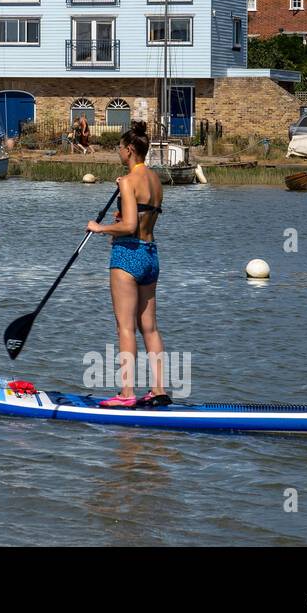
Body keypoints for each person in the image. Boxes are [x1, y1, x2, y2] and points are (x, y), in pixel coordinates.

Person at [86, 120, 170, 409]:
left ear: (130, 150)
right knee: (150, 327)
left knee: (125, 328)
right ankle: (158, 389)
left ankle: (126, 394)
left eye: (120, 148)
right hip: (151, 255)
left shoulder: (128, 181)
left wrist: (101, 228)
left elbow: (129, 225)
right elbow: (142, 219)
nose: (118, 153)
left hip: (127, 255)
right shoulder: (156, 180)